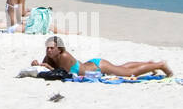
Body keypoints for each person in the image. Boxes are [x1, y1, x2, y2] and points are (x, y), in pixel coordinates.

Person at [32, 35, 171, 79]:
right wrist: (38, 64)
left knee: (128, 73)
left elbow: (64, 74)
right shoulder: (49, 56)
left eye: (52, 48)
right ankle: (149, 63)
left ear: (59, 49)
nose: (49, 50)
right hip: (92, 64)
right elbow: (47, 67)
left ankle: (159, 65)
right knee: (120, 68)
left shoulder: (64, 56)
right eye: (48, 48)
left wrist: (45, 66)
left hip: (98, 67)